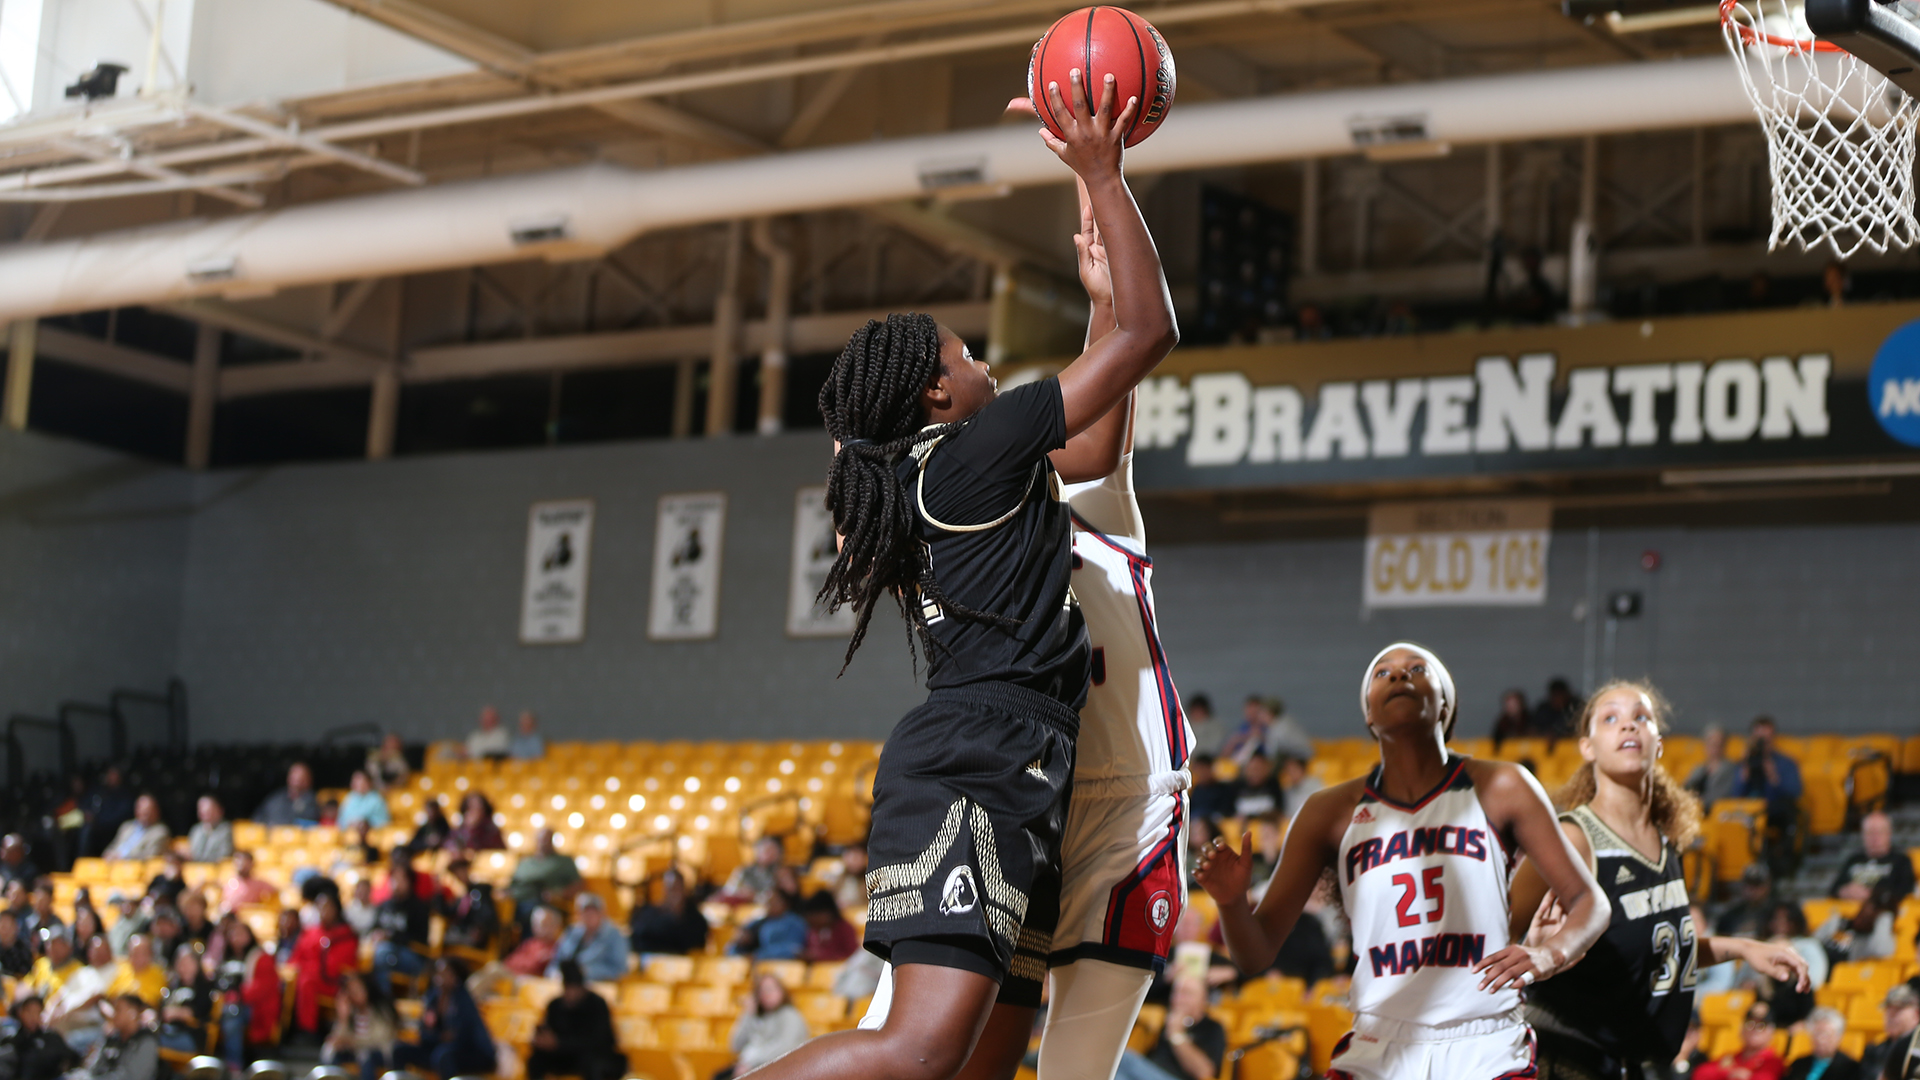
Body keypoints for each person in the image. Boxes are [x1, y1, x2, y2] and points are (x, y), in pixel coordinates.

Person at [745, 70, 1176, 1080]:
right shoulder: (976, 449)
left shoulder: (939, 474)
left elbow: (1095, 452)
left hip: (1004, 756)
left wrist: (1100, 303)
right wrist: (1104, 178)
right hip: (983, 756)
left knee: (979, 1066)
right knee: (924, 1047)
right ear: (940, 390)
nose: (986, 366)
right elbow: (1153, 339)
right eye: (970, 354)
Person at [1195, 643, 1612, 1080]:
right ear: (1369, 716)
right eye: (1382, 672)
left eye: (1417, 668)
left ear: (1445, 704)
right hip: (1378, 1044)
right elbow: (1255, 954)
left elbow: (1589, 900)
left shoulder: (1502, 784)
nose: (1398, 676)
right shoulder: (1327, 811)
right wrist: (1230, 903)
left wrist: (1550, 953)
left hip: (1484, 1042)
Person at [1510, 680, 1810, 1080]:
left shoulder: (1666, 842)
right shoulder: (1574, 837)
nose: (1628, 726)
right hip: (1564, 1055)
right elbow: (1494, 933)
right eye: (1611, 718)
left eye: (1641, 717)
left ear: (1659, 742)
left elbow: (1654, 951)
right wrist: (1537, 952)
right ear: (1587, 747)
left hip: (1626, 1061)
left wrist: (1742, 947)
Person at [393, 960, 494, 1079]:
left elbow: (462, 1037)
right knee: (399, 1050)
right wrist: (439, 1037)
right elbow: (423, 1032)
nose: (439, 977)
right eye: (438, 973)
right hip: (438, 1048)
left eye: (444, 973)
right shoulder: (433, 997)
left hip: (471, 1053)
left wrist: (438, 1037)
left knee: (443, 1056)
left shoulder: (464, 1000)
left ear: (455, 977)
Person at [526, 960, 625, 1080]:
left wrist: (560, 1043)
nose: (570, 993)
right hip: (564, 1056)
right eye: (567, 988)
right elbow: (549, 1033)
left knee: (593, 1063)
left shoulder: (597, 1004)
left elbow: (600, 1041)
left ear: (582, 987)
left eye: (574, 988)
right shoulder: (555, 1005)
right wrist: (541, 1040)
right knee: (536, 1060)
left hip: (592, 1055)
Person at [1115, 977, 1224, 1080]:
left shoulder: (1212, 1028)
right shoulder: (1165, 1018)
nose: (1179, 999)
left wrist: (1176, 1035)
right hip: (1148, 1072)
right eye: (1176, 992)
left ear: (1203, 999)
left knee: (1124, 1058)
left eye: (1187, 993)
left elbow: (1204, 1072)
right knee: (1116, 1075)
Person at [291, 890, 359, 1038]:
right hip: (308, 978)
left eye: (328, 907)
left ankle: (308, 1032)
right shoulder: (309, 932)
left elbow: (339, 966)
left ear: (336, 910)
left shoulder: (345, 935)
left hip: (334, 983)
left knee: (306, 982)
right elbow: (295, 960)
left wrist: (308, 969)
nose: (324, 911)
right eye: (321, 907)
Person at [212, 920, 278, 1067]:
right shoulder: (225, 958)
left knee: (231, 1018)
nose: (236, 937)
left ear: (250, 936)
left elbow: (262, 989)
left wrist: (237, 995)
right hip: (225, 1004)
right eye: (233, 934)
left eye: (241, 934)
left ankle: (234, 1066)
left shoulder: (260, 957)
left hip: (253, 1008)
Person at [723, 973, 811, 1080]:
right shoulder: (757, 1016)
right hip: (751, 1067)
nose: (766, 994)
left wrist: (752, 1065)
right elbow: (735, 1045)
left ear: (781, 991)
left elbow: (785, 1048)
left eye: (770, 989)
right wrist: (747, 1014)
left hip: (778, 1070)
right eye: (762, 991)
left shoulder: (790, 1016)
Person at [468, 905, 562, 999]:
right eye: (536, 924)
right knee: (490, 976)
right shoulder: (530, 942)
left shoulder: (556, 948)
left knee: (494, 968)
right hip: (510, 973)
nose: (538, 927)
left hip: (525, 980)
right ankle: (468, 995)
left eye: (544, 924)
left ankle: (467, 996)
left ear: (555, 926)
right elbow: (510, 961)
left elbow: (533, 967)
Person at [321, 970, 397, 1080]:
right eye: (351, 990)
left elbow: (380, 1039)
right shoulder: (350, 1012)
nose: (355, 993)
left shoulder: (381, 1010)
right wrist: (343, 1018)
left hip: (378, 1054)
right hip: (353, 1052)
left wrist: (352, 1041)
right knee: (330, 1050)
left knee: (366, 1055)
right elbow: (337, 1039)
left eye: (358, 989)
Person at [47, 936, 116, 1054]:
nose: (97, 954)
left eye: (101, 950)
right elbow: (60, 995)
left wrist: (68, 1012)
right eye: (94, 950)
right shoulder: (82, 971)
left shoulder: (114, 970)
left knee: (55, 1034)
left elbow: (96, 997)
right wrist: (49, 1011)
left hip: (87, 1018)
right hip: (66, 1015)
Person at [368, 865, 431, 991]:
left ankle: (383, 1002)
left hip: (412, 955)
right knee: (377, 955)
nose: (396, 882)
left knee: (382, 954)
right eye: (393, 878)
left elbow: (420, 940)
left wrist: (391, 937)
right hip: (386, 953)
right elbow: (374, 928)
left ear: (409, 882)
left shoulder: (418, 907)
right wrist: (376, 935)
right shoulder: (384, 906)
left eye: (400, 879)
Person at [1832, 812, 1914, 902]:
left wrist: (1871, 894)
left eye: (1879, 832)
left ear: (1889, 833)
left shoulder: (1901, 860)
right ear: (1862, 834)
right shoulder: (1853, 859)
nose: (1875, 838)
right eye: (1870, 832)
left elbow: (1905, 891)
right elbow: (1834, 890)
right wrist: (1845, 891)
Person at [1696, 1000, 1785, 1080]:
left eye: (1761, 1026)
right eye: (1750, 1024)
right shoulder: (1731, 1058)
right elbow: (1700, 1074)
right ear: (1742, 1028)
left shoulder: (1773, 1061)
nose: (1754, 1030)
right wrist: (1731, 1074)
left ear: (1771, 1032)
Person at [628, 868, 708, 956]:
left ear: (684, 890)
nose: (673, 893)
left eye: (676, 888)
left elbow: (691, 943)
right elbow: (638, 936)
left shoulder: (695, 919)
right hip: (650, 961)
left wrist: (677, 915)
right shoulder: (649, 914)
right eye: (669, 888)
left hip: (677, 964)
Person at [549, 893, 627, 982]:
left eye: (593, 911)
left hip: (598, 987)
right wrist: (555, 973)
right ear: (578, 914)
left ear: (602, 913)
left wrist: (588, 971)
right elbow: (555, 962)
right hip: (567, 986)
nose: (589, 915)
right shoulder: (571, 932)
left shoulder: (615, 936)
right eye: (584, 911)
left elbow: (620, 970)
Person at [507, 829, 581, 919]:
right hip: (517, 903)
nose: (544, 842)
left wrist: (558, 894)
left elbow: (578, 886)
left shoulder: (564, 862)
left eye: (547, 839)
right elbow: (512, 884)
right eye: (541, 839)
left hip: (547, 904)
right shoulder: (525, 862)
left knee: (536, 914)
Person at [79, 996, 158, 1080]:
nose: (114, 1015)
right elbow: (95, 1068)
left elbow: (132, 1077)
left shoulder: (145, 1041)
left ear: (132, 1013)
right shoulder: (113, 1039)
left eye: (118, 1010)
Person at [155, 943, 215, 1054]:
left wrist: (179, 1013)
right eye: (181, 963)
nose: (184, 967)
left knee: (151, 1043)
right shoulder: (173, 986)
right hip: (169, 1031)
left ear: (197, 964)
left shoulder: (203, 986)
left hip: (190, 1035)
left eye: (188, 963)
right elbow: (163, 1009)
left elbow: (202, 1010)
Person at [1815, 885, 1898, 963]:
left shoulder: (1872, 941)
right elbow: (1813, 943)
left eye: (1875, 909)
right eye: (1869, 903)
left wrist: (1885, 919)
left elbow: (1881, 951)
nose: (1868, 910)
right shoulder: (1839, 922)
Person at [0, 996, 76, 1080]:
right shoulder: (10, 1039)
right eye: (29, 1012)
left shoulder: (51, 1038)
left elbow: (72, 1058)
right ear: (21, 1013)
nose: (33, 1017)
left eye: (37, 1012)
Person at [437, 857, 499, 953]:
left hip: (475, 936)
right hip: (462, 933)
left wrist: (479, 928)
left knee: (447, 939)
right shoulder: (465, 895)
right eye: (456, 874)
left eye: (461, 872)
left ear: (467, 870)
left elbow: (486, 913)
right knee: (444, 938)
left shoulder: (478, 891)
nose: (460, 876)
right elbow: (449, 912)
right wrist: (439, 893)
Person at [728, 889, 806, 962]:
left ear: (784, 903)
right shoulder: (758, 922)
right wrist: (740, 943)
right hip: (759, 965)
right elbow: (733, 949)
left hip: (784, 965)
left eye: (773, 902)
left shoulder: (794, 922)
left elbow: (794, 949)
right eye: (767, 902)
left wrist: (758, 955)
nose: (769, 905)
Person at [1860, 984, 1920, 1080]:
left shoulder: (1916, 1050)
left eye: (1898, 1009)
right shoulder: (1874, 1050)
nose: (1890, 1015)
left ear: (1916, 1014)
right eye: (1888, 1009)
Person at [1786, 1007, 1860, 1080]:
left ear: (1838, 1036)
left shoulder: (1850, 1067)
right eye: (1816, 1033)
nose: (1820, 1040)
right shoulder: (1798, 1064)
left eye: (1826, 1034)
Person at [78, 769, 134, 861]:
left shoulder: (125, 795)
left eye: (113, 774)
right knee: (83, 828)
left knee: (88, 830)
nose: (110, 777)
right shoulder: (102, 791)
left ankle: (83, 860)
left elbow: (119, 817)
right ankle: (81, 862)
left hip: (113, 827)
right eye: (109, 774)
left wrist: (98, 820)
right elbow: (88, 805)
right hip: (99, 826)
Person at [718, 838, 787, 904]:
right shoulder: (744, 870)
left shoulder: (780, 872)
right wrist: (743, 892)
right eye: (767, 851)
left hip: (769, 910)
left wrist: (755, 896)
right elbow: (729, 891)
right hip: (743, 907)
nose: (770, 855)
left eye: (773, 852)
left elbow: (776, 897)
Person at [1686, 725, 1741, 808]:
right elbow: (1686, 788)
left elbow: (1721, 796)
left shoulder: (1730, 768)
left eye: (1719, 744)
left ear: (1724, 746)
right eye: (1711, 743)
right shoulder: (1699, 769)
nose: (1715, 748)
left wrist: (1698, 802)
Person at [1717, 864, 1776, 940]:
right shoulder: (1730, 915)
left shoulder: (1775, 914)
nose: (1752, 889)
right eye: (1749, 884)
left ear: (1767, 886)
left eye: (1757, 884)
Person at [102, 798, 168, 863]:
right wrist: (109, 854)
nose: (144, 815)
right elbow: (112, 846)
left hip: (133, 869)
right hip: (112, 867)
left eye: (147, 812)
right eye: (141, 810)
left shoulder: (160, 832)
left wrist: (121, 857)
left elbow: (150, 857)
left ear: (156, 811)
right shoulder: (126, 826)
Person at [254, 763, 320, 827]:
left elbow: (311, 822)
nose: (296, 782)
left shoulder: (313, 801)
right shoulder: (276, 799)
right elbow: (258, 818)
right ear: (288, 778)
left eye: (301, 779)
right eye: (294, 778)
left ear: (308, 781)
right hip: (273, 836)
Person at [801, 892, 860, 963]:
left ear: (827, 913)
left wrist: (821, 957)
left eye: (815, 916)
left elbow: (854, 956)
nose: (812, 921)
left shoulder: (845, 929)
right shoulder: (813, 930)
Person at [106, 936, 165, 1006]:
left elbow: (156, 1000)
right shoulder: (120, 970)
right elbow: (110, 996)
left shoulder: (159, 974)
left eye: (143, 954)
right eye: (135, 954)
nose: (139, 958)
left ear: (150, 954)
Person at [23, 931, 78, 1000]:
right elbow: (27, 985)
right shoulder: (42, 963)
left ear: (68, 947)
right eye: (49, 943)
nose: (52, 947)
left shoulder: (77, 970)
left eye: (57, 943)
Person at [1230, 752, 1283, 818]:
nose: (1256, 773)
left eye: (1259, 769)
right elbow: (1229, 814)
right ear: (1246, 770)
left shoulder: (1274, 785)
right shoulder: (1235, 786)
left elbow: (1280, 811)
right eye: (1253, 769)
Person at [1187, 755, 1234, 821]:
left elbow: (1224, 812)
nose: (1200, 773)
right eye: (1198, 770)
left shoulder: (1223, 789)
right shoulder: (1196, 790)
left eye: (1203, 769)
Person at [185, 798, 231, 863]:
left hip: (215, 869)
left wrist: (197, 858)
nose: (204, 811)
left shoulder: (225, 830)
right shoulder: (196, 829)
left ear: (219, 810)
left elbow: (224, 855)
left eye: (208, 810)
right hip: (195, 868)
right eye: (201, 809)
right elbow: (191, 852)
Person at [0, 909, 31, 977]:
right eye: (3, 926)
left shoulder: (24, 949)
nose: (5, 931)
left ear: (16, 927)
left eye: (8, 926)